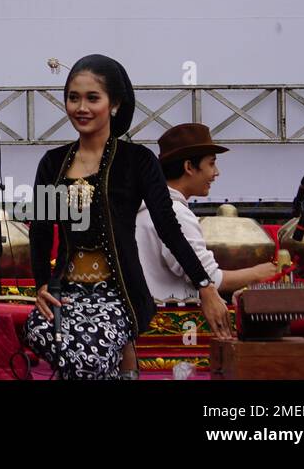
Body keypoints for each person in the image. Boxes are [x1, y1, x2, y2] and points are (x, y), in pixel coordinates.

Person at [24, 55, 233, 381]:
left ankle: (120, 359)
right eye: (73, 98)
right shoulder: (53, 163)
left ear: (115, 104)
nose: (81, 107)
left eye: (93, 98)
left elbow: (168, 228)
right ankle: (122, 366)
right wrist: (40, 284)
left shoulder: (137, 161)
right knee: (47, 335)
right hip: (66, 292)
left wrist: (204, 285)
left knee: (84, 358)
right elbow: (39, 231)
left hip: (118, 294)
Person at [136, 122, 278, 300]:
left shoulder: (147, 208)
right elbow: (209, 278)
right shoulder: (175, 213)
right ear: (189, 167)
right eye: (211, 164)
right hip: (171, 323)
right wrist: (258, 273)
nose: (216, 172)